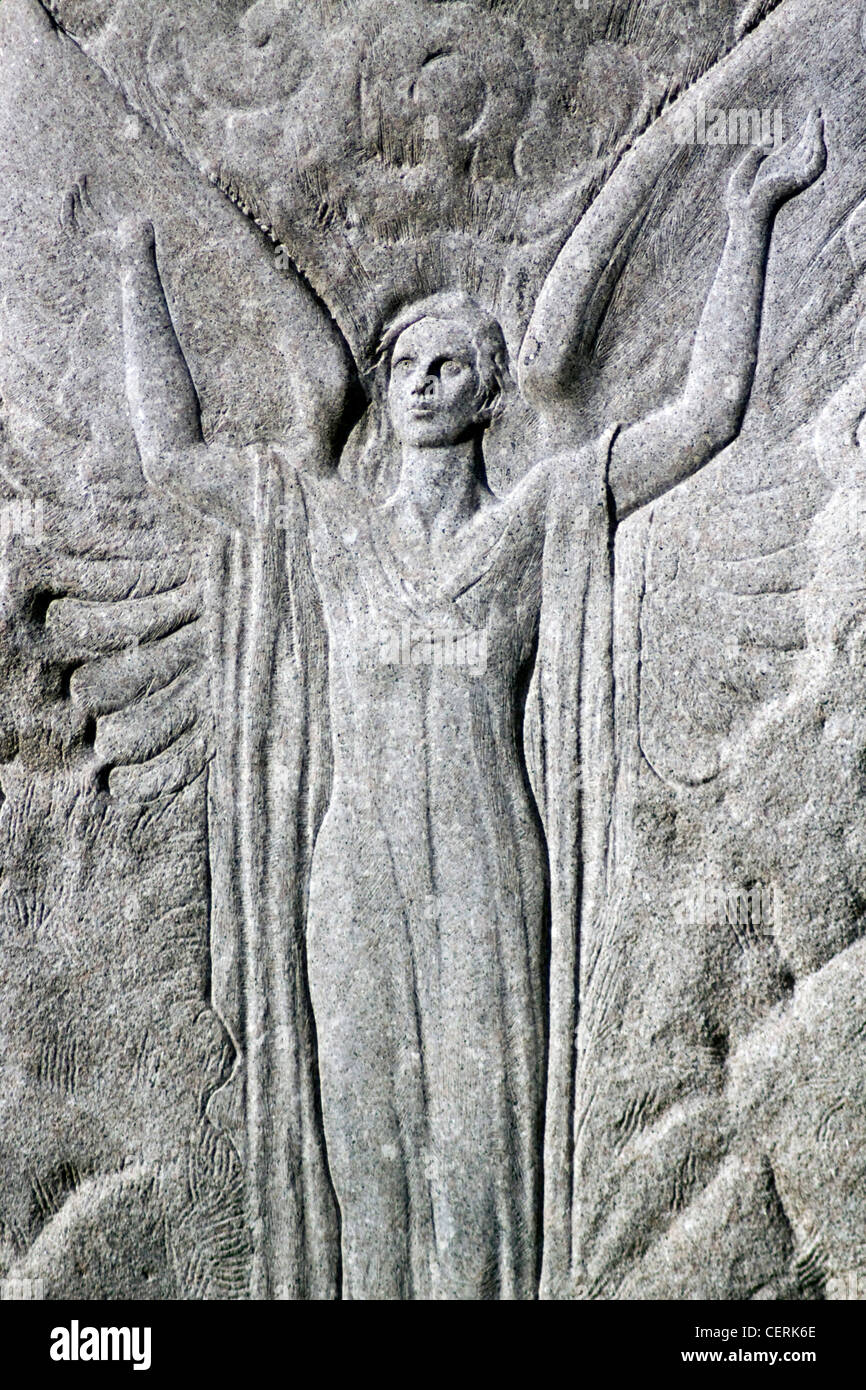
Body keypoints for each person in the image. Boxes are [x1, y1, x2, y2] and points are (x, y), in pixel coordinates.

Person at [116, 113, 825, 1299]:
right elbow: (169, 457)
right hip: (354, 869)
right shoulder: (325, 523)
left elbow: (706, 412)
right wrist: (135, 266)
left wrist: (749, 219)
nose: (419, 381)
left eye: (448, 364)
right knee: (365, 1158)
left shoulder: (539, 517)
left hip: (490, 868)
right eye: (403, 365)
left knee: (476, 1164)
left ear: (491, 389)